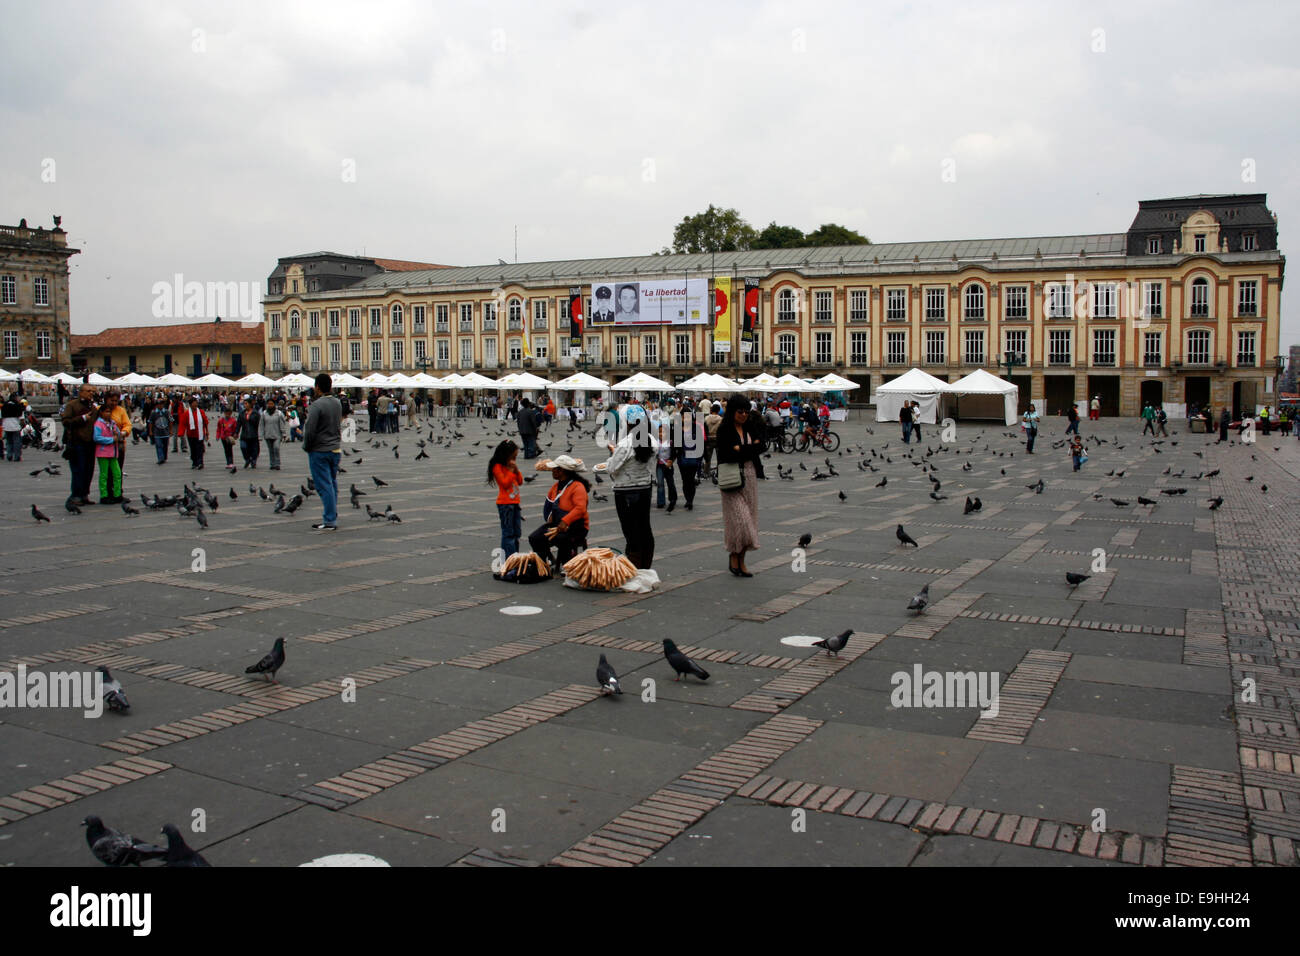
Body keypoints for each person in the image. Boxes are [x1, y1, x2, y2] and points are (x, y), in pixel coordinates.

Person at [602, 405, 658, 569]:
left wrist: (613, 452)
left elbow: (612, 468)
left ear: (627, 422)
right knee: (644, 527)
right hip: (645, 489)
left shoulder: (626, 443)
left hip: (625, 491)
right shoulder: (652, 440)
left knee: (630, 530)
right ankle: (644, 567)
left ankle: (634, 567)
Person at [717, 394, 764, 577]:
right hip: (731, 479)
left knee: (750, 519)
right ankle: (734, 554)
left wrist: (741, 450)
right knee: (740, 521)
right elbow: (728, 454)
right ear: (732, 411)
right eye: (740, 411)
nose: (743, 415)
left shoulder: (750, 427)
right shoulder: (725, 430)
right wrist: (749, 450)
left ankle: (740, 559)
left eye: (746, 411)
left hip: (750, 477)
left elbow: (762, 446)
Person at [527, 455, 590, 572]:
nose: (552, 471)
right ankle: (544, 563)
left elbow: (580, 508)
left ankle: (568, 565)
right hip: (557, 525)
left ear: (562, 471)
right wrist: (550, 519)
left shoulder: (578, 486)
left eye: (555, 468)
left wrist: (565, 521)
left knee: (562, 539)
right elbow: (550, 505)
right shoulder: (555, 486)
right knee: (535, 537)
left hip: (576, 527)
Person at [303, 373, 342, 532]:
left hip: (319, 450)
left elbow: (310, 429)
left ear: (317, 387)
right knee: (332, 484)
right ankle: (331, 515)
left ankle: (329, 520)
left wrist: (307, 446)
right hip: (335, 449)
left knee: (324, 486)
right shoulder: (337, 403)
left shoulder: (316, 405)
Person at [60, 382, 99, 506]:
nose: (91, 393)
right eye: (88, 391)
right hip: (76, 442)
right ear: (81, 392)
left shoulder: (92, 407)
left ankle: (84, 495)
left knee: (89, 470)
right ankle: (75, 495)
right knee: (78, 470)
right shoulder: (72, 405)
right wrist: (82, 419)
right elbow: (66, 421)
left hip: (90, 443)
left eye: (92, 391)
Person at [487, 440, 524, 559]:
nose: (514, 460)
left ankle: (515, 557)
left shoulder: (511, 466)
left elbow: (520, 481)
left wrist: (516, 470)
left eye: (516, 457)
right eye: (513, 456)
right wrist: (511, 471)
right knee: (508, 534)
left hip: (515, 503)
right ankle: (509, 559)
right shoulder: (497, 467)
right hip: (505, 504)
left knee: (517, 533)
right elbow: (504, 483)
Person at [92, 404, 124, 503]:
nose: (108, 413)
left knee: (117, 473)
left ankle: (117, 494)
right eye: (106, 411)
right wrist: (111, 439)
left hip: (113, 452)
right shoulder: (98, 424)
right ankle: (104, 495)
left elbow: (119, 433)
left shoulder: (112, 423)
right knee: (104, 474)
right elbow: (96, 438)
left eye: (109, 412)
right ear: (101, 412)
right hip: (103, 452)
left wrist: (118, 434)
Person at [676, 409, 705, 509]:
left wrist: (699, 459)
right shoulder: (678, 429)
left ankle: (690, 500)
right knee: (685, 480)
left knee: (691, 480)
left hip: (693, 459)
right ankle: (687, 498)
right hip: (682, 459)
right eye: (683, 417)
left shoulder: (696, 429)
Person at [179, 395, 208, 470]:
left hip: (200, 434)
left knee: (200, 449)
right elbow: (183, 424)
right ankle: (194, 462)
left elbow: (205, 422)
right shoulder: (186, 413)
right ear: (190, 404)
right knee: (193, 449)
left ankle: (200, 463)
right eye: (194, 403)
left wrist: (207, 432)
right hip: (191, 435)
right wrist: (181, 433)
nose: (196, 404)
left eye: (196, 403)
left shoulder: (201, 412)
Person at [655, 420, 677, 513]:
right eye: (659, 432)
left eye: (663, 432)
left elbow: (674, 453)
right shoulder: (655, 442)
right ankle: (661, 502)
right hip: (659, 466)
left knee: (670, 483)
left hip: (668, 466)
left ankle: (673, 499)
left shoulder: (671, 442)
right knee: (660, 484)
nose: (661, 434)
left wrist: (671, 460)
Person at [261, 400, 286, 470]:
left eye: (271, 404)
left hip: (277, 435)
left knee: (276, 448)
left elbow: (282, 424)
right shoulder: (264, 413)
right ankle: (272, 464)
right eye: (268, 404)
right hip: (268, 435)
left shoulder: (279, 413)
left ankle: (277, 463)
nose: (270, 405)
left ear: (274, 404)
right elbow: (261, 425)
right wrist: (260, 435)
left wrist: (284, 433)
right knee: (271, 450)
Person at [237, 397, 260, 468]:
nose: (245, 405)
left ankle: (253, 461)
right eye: (244, 404)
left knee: (254, 449)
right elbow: (238, 424)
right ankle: (247, 459)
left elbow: (259, 424)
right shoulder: (242, 413)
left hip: (253, 434)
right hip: (244, 434)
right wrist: (236, 432)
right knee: (243, 447)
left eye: (246, 404)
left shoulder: (255, 413)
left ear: (250, 404)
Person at [148, 398, 171, 464]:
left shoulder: (167, 412)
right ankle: (160, 458)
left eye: (161, 404)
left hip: (165, 432)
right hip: (157, 433)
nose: (159, 406)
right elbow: (150, 422)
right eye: (158, 404)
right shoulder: (154, 413)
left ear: (163, 405)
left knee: (165, 446)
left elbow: (171, 421)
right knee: (158, 445)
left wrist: (171, 430)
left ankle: (164, 456)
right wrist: (150, 431)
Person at [703, 401, 722, 476]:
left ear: (711, 410)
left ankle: (706, 472)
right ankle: (719, 472)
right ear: (718, 411)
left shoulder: (706, 418)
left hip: (708, 439)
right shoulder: (721, 419)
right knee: (719, 457)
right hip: (718, 439)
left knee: (708, 457)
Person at [2, 392, 23, 462]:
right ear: (15, 398)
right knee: (17, 442)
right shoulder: (18, 405)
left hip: (6, 426)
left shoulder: (4, 405)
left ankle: (9, 455)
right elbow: (21, 417)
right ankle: (17, 457)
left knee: (9, 441)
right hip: (15, 425)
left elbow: (1, 416)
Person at [216, 406, 238, 472]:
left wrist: (235, 435)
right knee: (226, 450)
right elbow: (218, 429)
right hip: (223, 437)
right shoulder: (221, 420)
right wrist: (217, 436)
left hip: (230, 437)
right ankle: (228, 462)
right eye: (226, 413)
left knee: (229, 449)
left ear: (231, 413)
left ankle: (230, 462)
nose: (227, 415)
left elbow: (235, 429)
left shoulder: (233, 420)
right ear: (224, 413)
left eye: (229, 413)